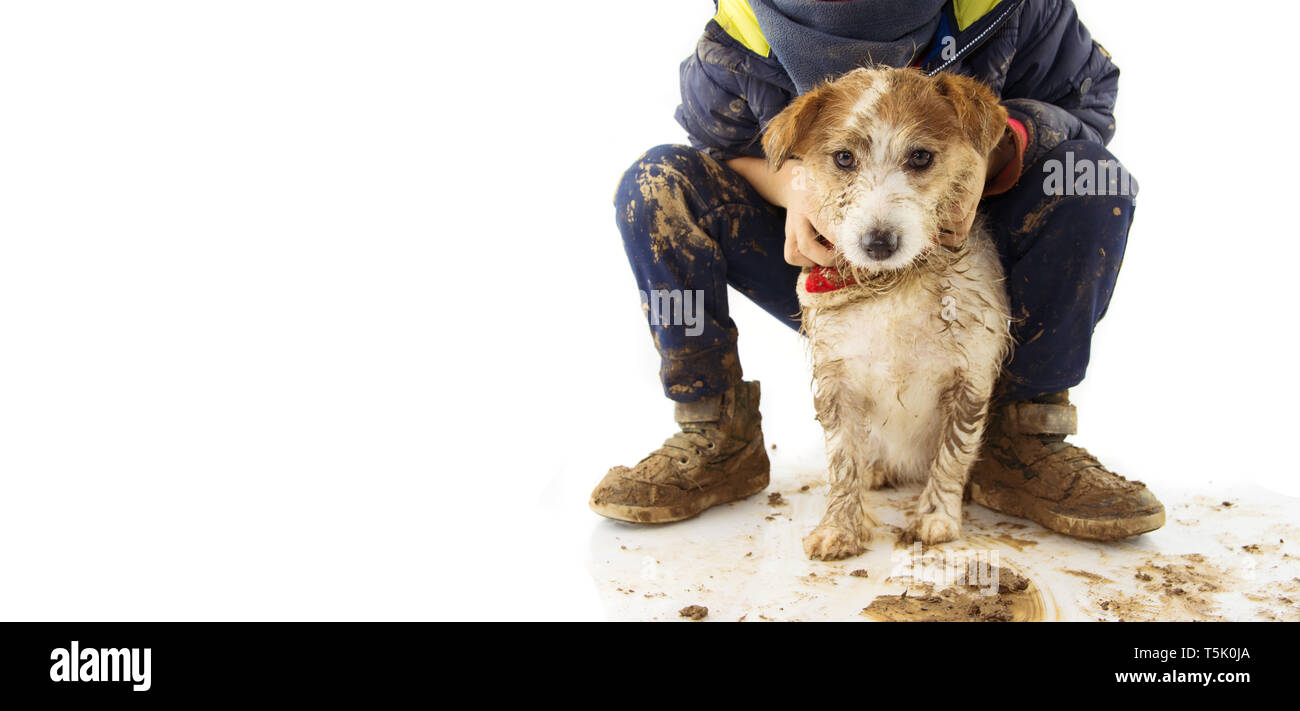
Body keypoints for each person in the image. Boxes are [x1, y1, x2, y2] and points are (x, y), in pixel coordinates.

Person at [589, 0, 1164, 541]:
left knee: (1093, 177)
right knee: (657, 185)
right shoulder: (742, 24)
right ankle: (713, 427)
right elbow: (715, 146)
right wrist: (797, 185)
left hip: (975, 266)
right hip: (828, 264)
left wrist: (992, 154)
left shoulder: (1009, 6)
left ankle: (1024, 435)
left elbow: (1087, 106)